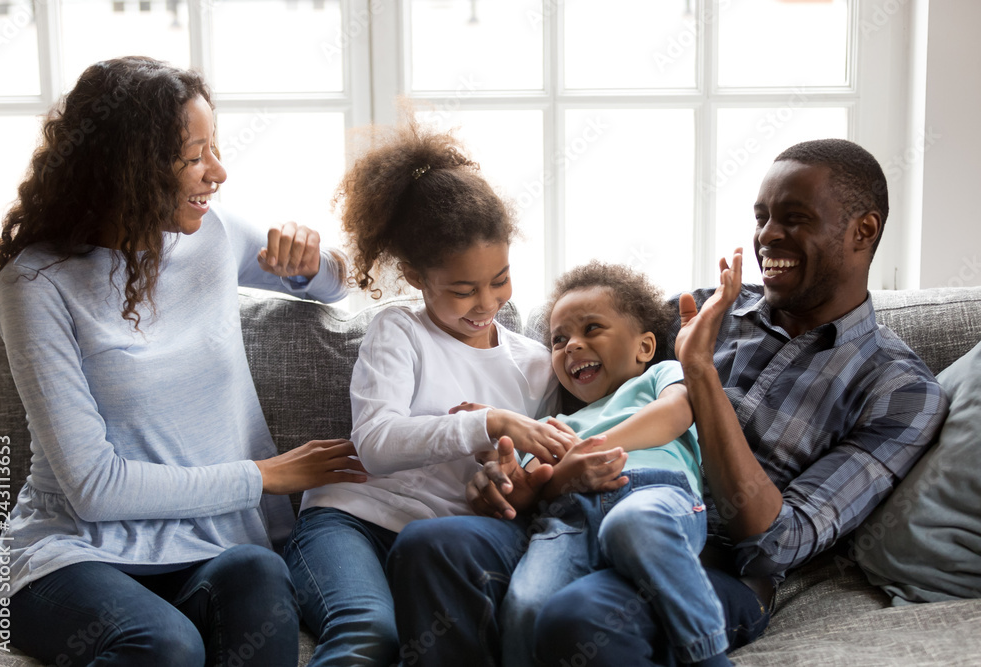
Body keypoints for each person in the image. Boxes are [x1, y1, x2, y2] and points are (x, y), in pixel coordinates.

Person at [387, 138, 949, 667]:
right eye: (761, 217)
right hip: (582, 514)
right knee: (432, 544)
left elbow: (776, 543)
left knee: (580, 617)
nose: (768, 236)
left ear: (863, 230)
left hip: (711, 562)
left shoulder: (899, 390)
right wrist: (509, 472)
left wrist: (700, 371)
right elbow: (594, 387)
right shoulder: (701, 307)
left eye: (794, 218)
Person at [0, 56, 367, 667]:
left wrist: (310, 260)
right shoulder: (36, 284)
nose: (219, 171)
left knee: (260, 574)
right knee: (167, 645)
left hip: (209, 548)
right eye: (194, 157)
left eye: (214, 148)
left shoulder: (211, 235)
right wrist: (263, 476)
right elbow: (94, 490)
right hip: (72, 554)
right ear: (129, 168)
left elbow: (337, 287)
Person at [282, 117, 564, 667]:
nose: (487, 303)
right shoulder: (399, 331)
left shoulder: (536, 366)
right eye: (463, 290)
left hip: (437, 545)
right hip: (350, 522)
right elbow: (376, 444)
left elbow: (531, 476)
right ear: (415, 277)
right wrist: (489, 423)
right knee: (368, 632)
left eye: (500, 279)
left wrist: (504, 473)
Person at [495, 260, 733, 667]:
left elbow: (675, 415)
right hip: (569, 518)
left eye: (591, 329)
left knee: (632, 523)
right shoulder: (555, 423)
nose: (571, 345)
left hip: (653, 493)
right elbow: (529, 487)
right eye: (558, 339)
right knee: (526, 604)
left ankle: (710, 658)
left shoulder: (659, 376)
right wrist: (507, 469)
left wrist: (587, 451)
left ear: (644, 347)